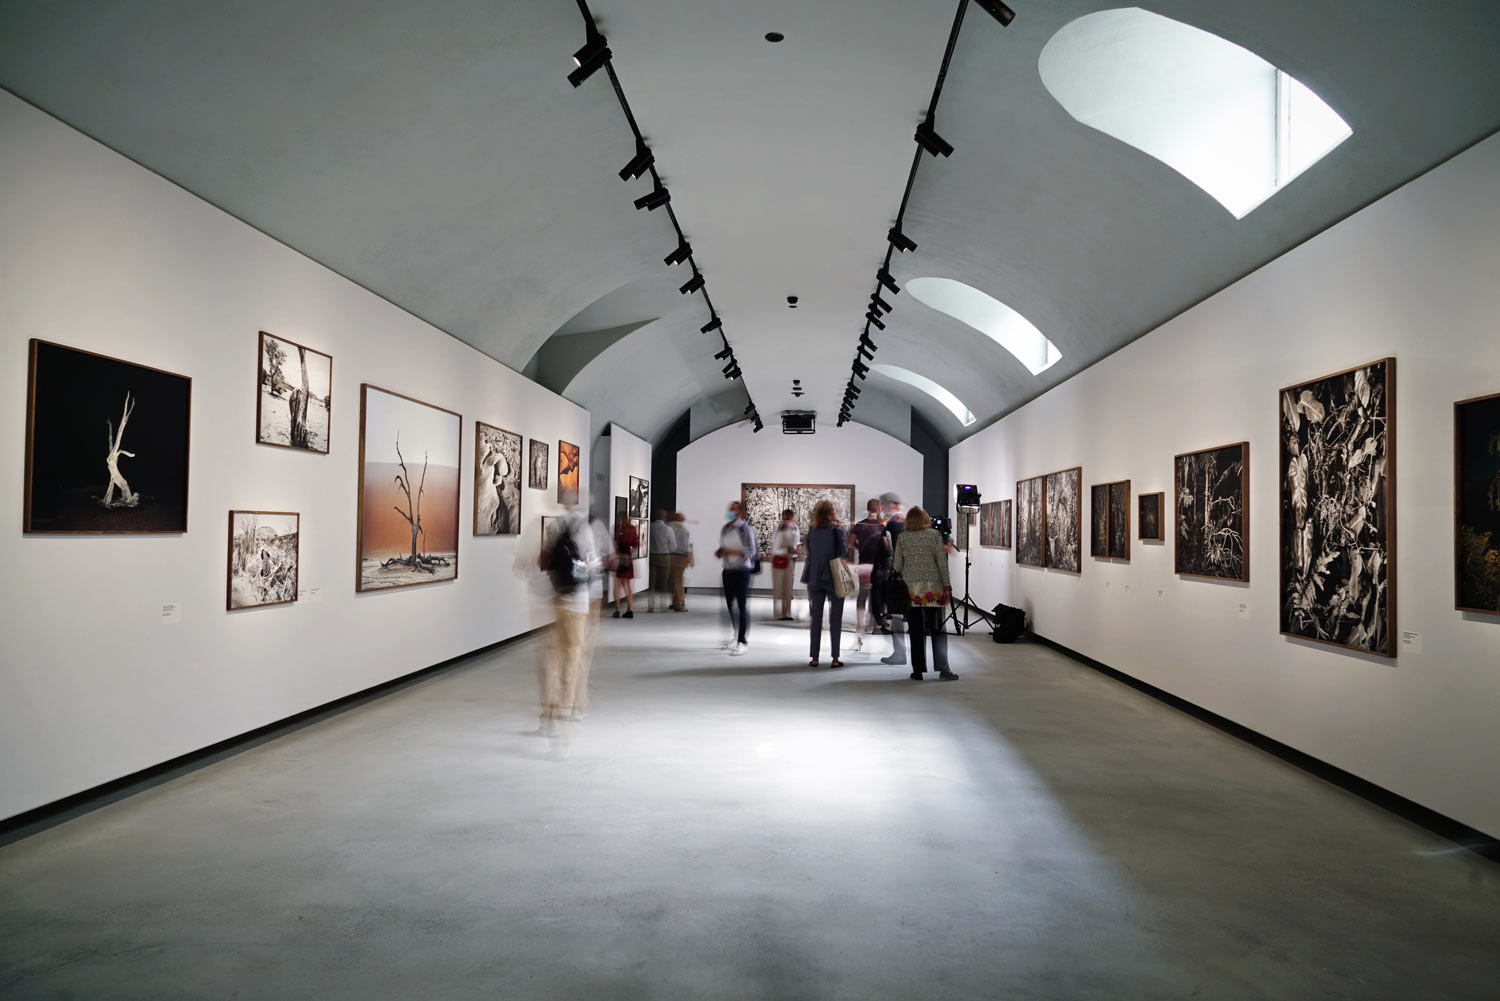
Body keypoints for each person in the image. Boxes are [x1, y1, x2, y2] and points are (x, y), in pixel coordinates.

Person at [892, 506, 957, 681]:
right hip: (933, 589)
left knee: (916, 630)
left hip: (912, 590)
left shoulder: (903, 537)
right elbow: (941, 564)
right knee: (937, 629)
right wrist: (947, 586)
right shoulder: (934, 535)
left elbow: (897, 565)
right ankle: (944, 669)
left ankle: (918, 671)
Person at [802, 499, 849, 667]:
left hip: (814, 577)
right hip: (833, 577)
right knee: (835, 619)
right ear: (830, 514)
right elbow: (844, 552)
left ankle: (815, 657)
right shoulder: (836, 530)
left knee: (816, 619)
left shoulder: (812, 530)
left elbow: (810, 552)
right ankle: (835, 658)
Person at [714, 499, 758, 655]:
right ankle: (735, 635)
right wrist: (720, 551)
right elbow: (724, 545)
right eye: (729, 509)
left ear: (740, 512)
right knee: (730, 606)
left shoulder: (746, 529)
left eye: (733, 510)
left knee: (741, 606)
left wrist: (732, 552)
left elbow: (751, 551)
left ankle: (742, 642)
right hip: (728, 570)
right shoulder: (725, 528)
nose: (730, 512)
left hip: (742, 571)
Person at [848, 498, 889, 651]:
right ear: (878, 509)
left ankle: (860, 631)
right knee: (876, 597)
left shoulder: (859, 525)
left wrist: (861, 547)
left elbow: (850, 543)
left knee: (862, 597)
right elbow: (886, 548)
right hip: (877, 566)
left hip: (863, 564)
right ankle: (875, 625)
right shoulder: (880, 526)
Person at [879, 492, 909, 666]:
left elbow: (888, 549)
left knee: (897, 615)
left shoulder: (892, 524)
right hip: (913, 575)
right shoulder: (908, 522)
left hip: (898, 575)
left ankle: (899, 653)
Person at [770, 508, 800, 620]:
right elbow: (774, 549)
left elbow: (796, 549)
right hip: (778, 561)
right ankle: (778, 613)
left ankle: (787, 613)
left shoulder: (795, 531)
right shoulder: (777, 531)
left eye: (790, 518)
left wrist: (793, 551)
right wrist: (786, 550)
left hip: (790, 561)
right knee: (778, 588)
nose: (789, 521)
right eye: (787, 518)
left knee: (788, 589)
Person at [611, 514, 638, 618]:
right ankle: (629, 609)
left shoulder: (617, 528)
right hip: (628, 556)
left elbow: (615, 543)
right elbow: (635, 544)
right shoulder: (632, 529)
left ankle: (617, 609)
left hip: (619, 557)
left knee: (617, 584)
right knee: (627, 585)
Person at [647, 509, 674, 612]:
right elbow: (673, 545)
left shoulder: (650, 527)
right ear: (665, 517)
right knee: (664, 583)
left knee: (651, 583)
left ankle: (650, 606)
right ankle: (663, 607)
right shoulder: (668, 529)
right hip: (664, 557)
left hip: (652, 556)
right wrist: (668, 548)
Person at [669, 511, 693, 611]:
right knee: (678, 581)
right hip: (681, 557)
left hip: (671, 556)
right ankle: (679, 603)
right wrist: (690, 559)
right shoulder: (684, 530)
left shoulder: (669, 527)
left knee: (674, 581)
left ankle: (677, 603)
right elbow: (687, 546)